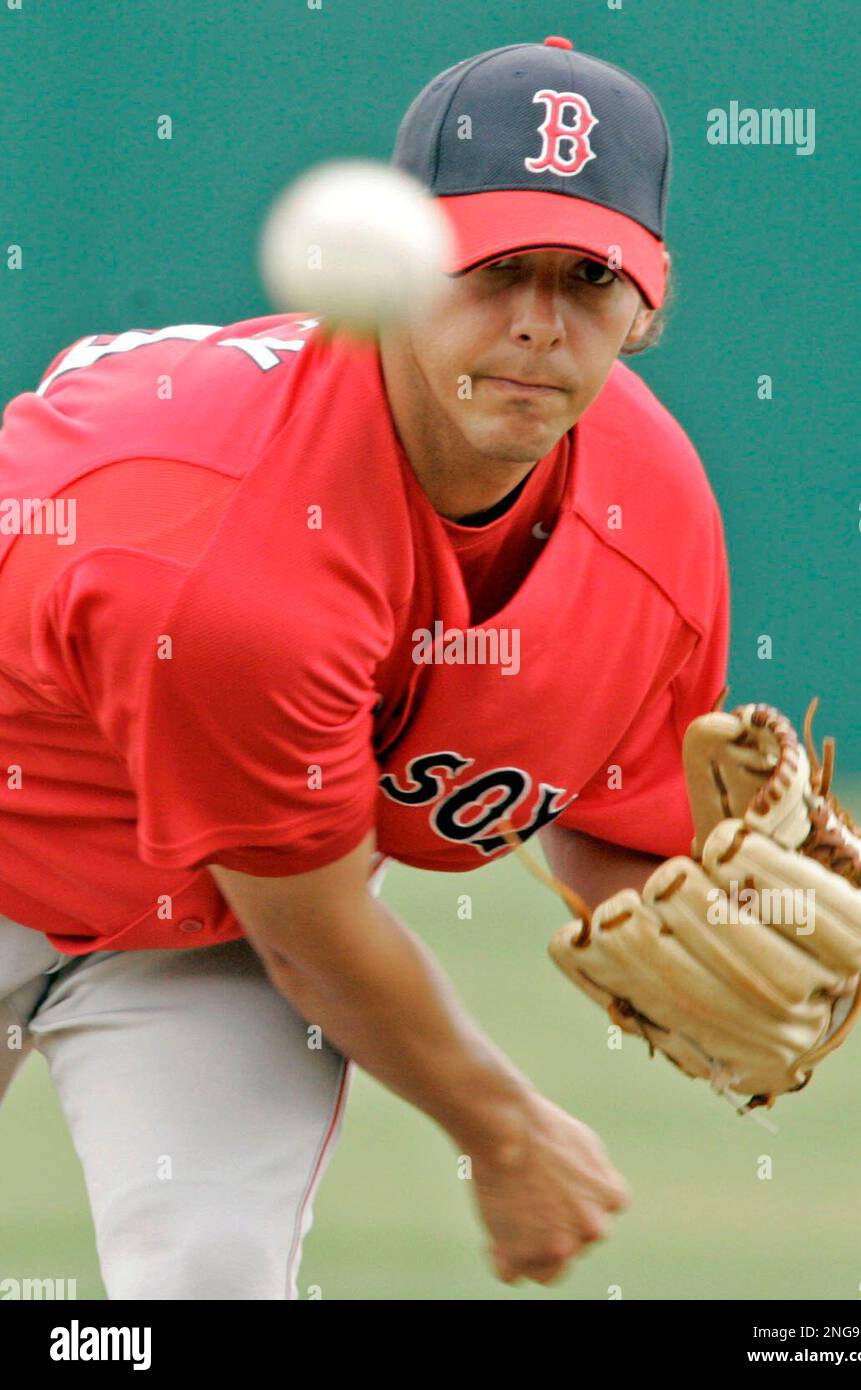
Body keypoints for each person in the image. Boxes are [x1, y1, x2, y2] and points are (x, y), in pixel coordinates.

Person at [0, 36, 729, 1298]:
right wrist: (504, 1132)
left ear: (648, 307)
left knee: (208, 1281)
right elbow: (316, 930)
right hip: (83, 817)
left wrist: (717, 932)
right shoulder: (230, 549)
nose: (538, 325)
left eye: (589, 277)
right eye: (494, 268)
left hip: (204, 921)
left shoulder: (651, 525)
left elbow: (621, 812)